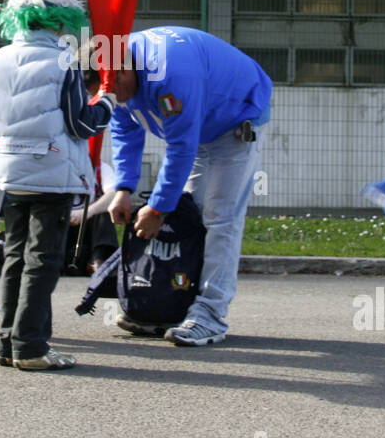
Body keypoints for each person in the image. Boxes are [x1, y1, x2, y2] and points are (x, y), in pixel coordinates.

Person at [0, 0, 115, 370]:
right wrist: (106, 102)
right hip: (49, 175)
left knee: (15, 256)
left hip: (6, 173)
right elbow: (79, 123)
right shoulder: (65, 60)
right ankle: (32, 346)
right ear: (61, 17)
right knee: (42, 261)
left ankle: (7, 344)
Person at [107, 27, 272, 346]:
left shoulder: (172, 76)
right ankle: (174, 304)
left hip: (235, 121)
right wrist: (123, 189)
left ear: (125, 70)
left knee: (220, 218)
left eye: (114, 87)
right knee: (190, 218)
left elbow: (181, 147)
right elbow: (125, 130)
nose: (112, 97)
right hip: (200, 123)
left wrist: (157, 208)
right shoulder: (112, 71)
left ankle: (209, 315)